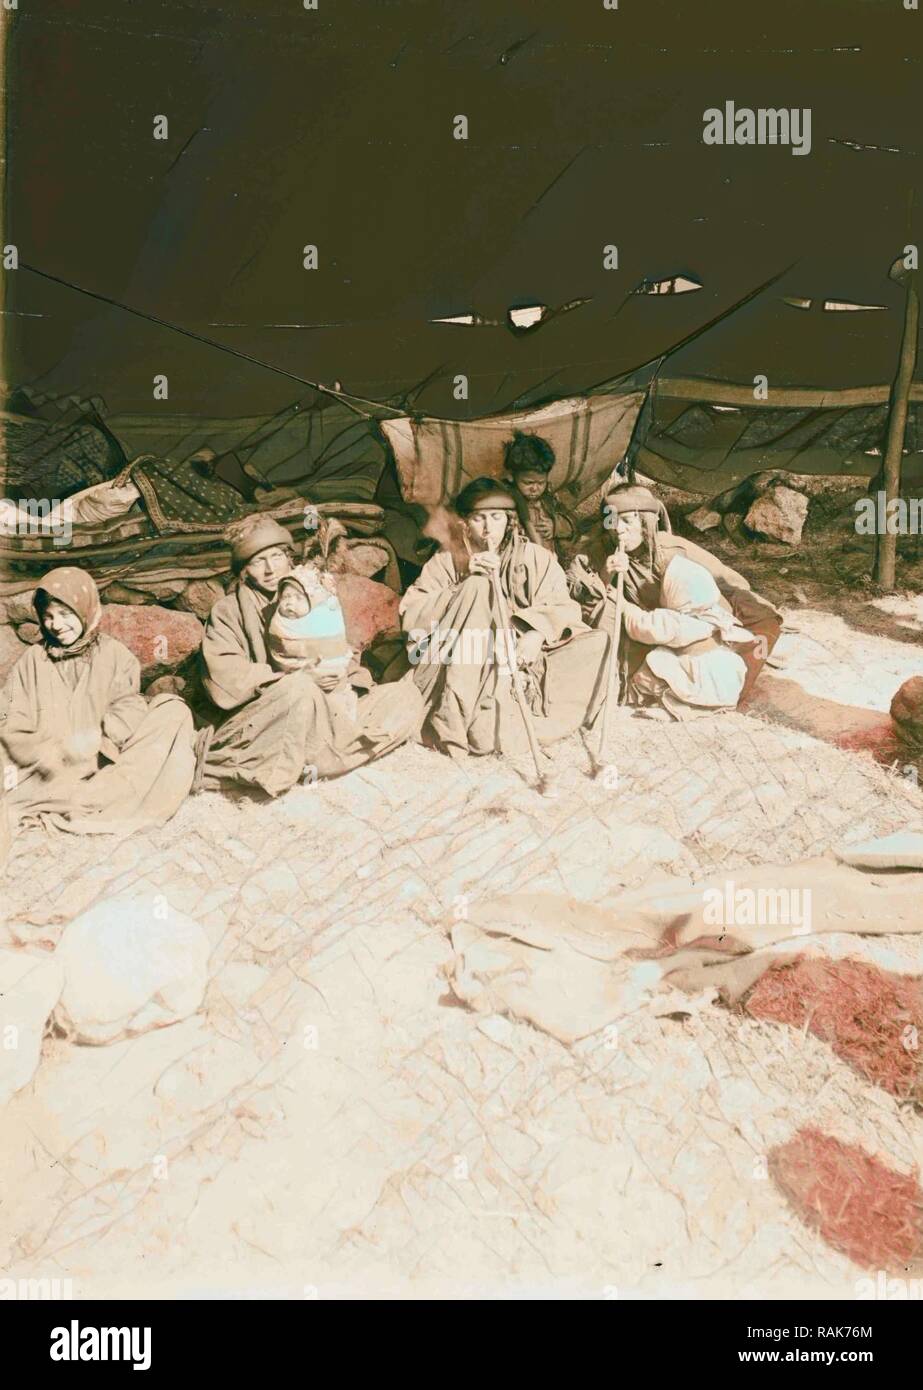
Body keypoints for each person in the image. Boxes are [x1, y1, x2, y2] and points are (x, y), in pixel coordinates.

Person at [199, 516, 422, 795]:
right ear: (244, 570)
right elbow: (224, 680)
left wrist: (345, 677)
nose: (270, 569)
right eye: (258, 561)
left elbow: (337, 648)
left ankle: (308, 759)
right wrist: (296, 677)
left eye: (277, 556)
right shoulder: (227, 611)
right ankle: (319, 758)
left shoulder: (312, 595)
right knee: (300, 690)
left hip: (326, 710)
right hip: (271, 717)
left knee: (405, 696)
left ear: (288, 558)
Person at [399, 477, 608, 759]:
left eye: (496, 518)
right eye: (478, 519)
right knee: (477, 587)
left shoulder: (535, 557)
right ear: (465, 524)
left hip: (523, 655)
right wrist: (462, 587)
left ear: (510, 521)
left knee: (599, 644)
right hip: (465, 659)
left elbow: (563, 605)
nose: (488, 528)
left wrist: (535, 634)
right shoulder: (447, 560)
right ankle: (460, 717)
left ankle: (519, 712)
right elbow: (412, 611)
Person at [0, 566, 195, 843]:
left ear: (85, 610)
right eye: (49, 616)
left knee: (172, 710)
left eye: (66, 614)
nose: (57, 624)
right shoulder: (33, 660)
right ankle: (89, 801)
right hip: (51, 766)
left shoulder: (114, 654)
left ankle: (93, 797)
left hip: (102, 757)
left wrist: (98, 739)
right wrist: (50, 749)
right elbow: (10, 717)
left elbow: (128, 705)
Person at [568, 482, 782, 719]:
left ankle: (728, 692)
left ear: (646, 524)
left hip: (687, 621)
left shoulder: (670, 550)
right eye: (613, 521)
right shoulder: (598, 551)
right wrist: (605, 575)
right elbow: (579, 593)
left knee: (764, 625)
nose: (619, 530)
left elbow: (722, 578)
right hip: (646, 628)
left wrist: (751, 607)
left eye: (628, 522)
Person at [502, 431, 579, 562]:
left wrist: (556, 526)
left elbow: (573, 523)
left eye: (541, 483)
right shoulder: (506, 500)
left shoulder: (549, 499)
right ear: (511, 476)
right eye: (528, 483)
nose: (535, 488)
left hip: (551, 564)